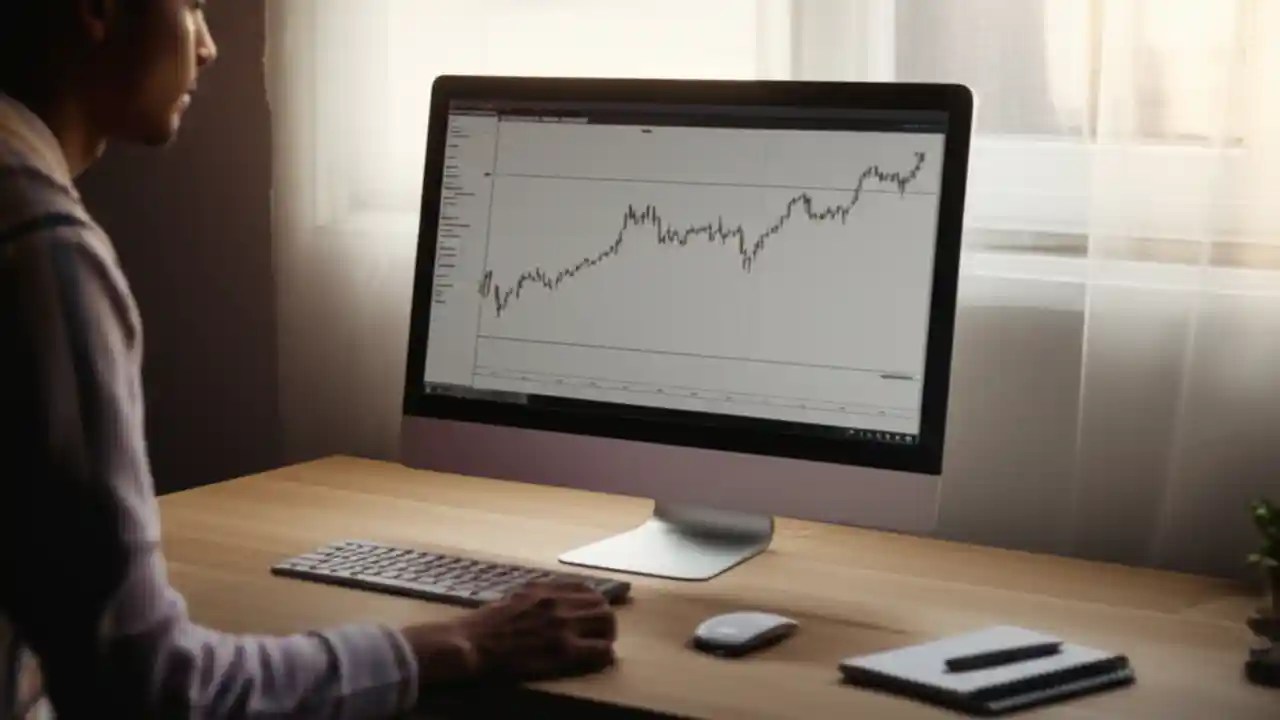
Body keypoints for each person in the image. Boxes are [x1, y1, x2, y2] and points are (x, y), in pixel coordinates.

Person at [0, 1, 618, 718]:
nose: (207, 48)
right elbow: (159, 689)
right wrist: (464, 643)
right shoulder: (42, 252)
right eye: (192, 6)